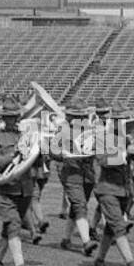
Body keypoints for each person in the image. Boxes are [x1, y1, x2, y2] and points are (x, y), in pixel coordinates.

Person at [91, 106, 134, 266]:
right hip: (106, 188)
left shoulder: (128, 138)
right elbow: (102, 160)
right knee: (119, 226)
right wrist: (123, 152)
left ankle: (99, 260)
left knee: (110, 228)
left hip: (123, 190)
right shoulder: (103, 137)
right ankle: (131, 264)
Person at [0, 98, 35, 266]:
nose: (12, 120)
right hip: (5, 189)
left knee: (10, 227)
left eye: (15, 117)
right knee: (13, 225)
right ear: (3, 118)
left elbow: (37, 159)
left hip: (24, 188)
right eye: (8, 117)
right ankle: (20, 265)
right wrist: (13, 154)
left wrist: (41, 148)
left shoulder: (27, 135)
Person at [54, 97, 98, 256]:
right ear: (69, 116)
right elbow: (52, 151)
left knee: (77, 205)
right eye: (76, 116)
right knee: (80, 205)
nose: (80, 119)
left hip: (87, 174)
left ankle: (66, 239)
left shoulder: (91, 129)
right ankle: (86, 242)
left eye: (82, 116)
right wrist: (63, 155)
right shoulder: (62, 129)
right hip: (71, 173)